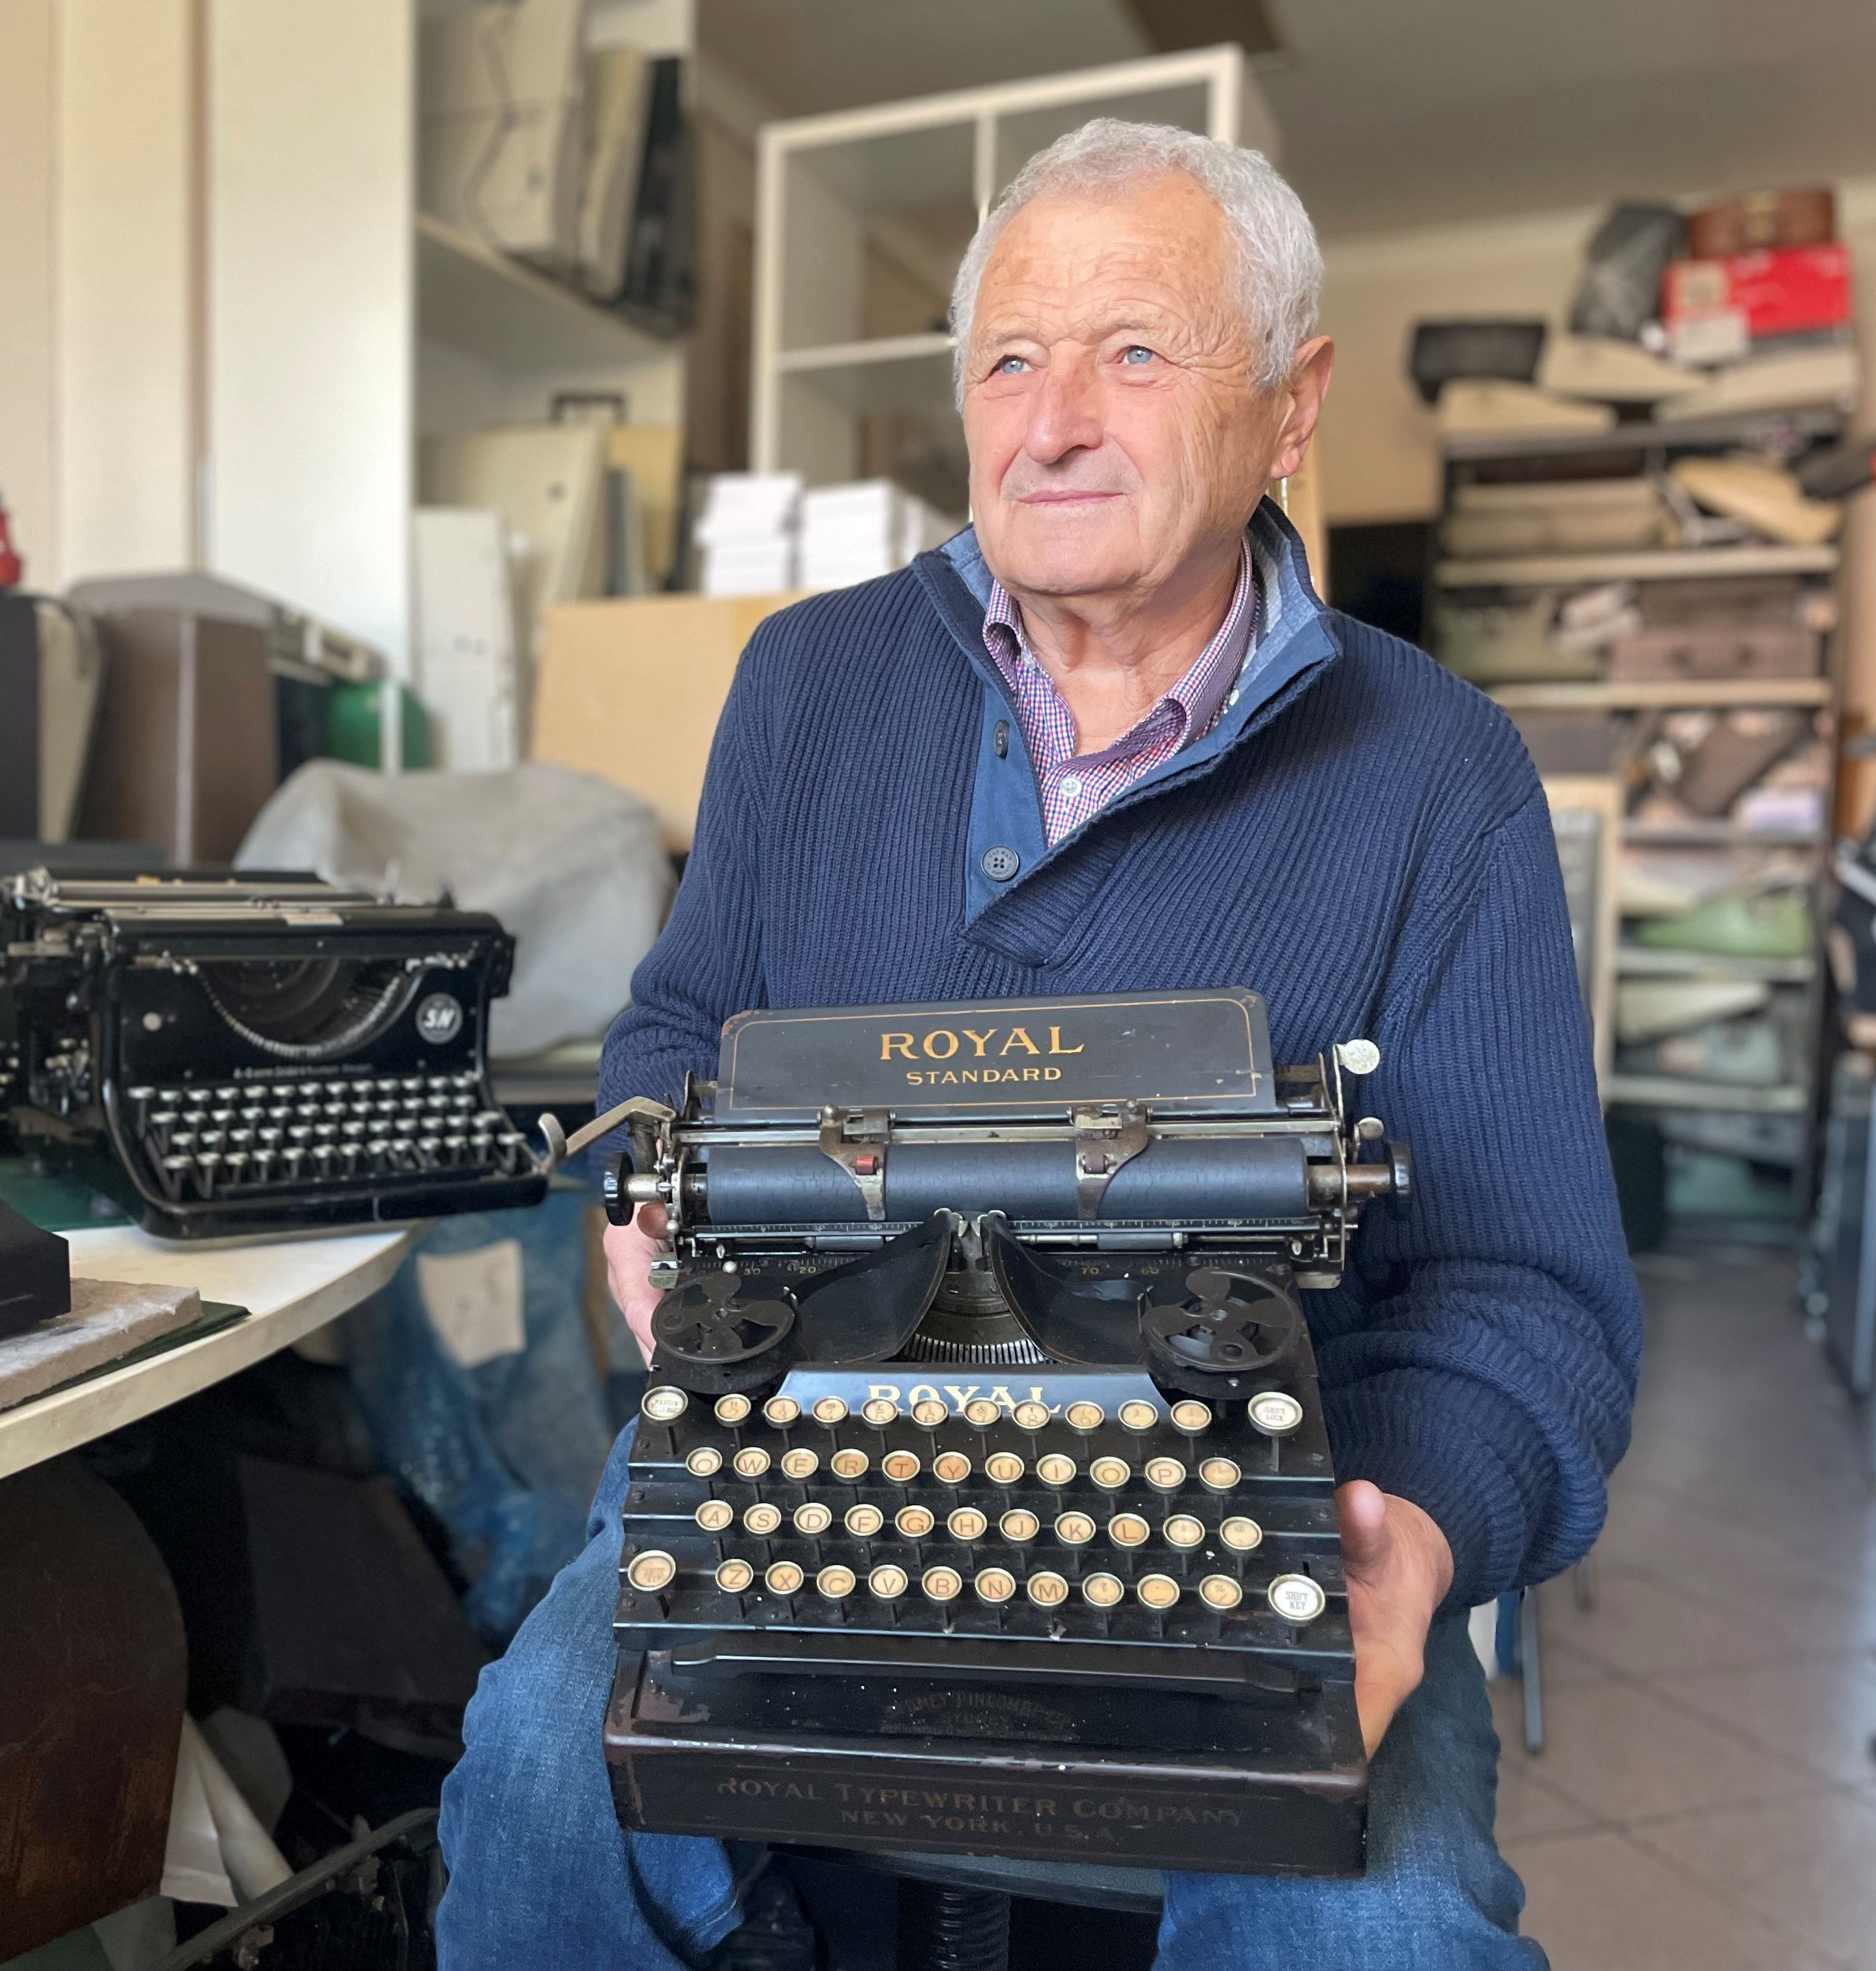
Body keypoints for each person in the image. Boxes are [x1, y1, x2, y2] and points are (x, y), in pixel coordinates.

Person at [437, 119, 1639, 1970]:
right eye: (1010, 357)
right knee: (534, 1767)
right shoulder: (806, 685)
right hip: (795, 1429)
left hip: (1260, 1487)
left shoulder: (1443, 775)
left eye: (1135, 352)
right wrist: (642, 1172)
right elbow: (680, 1025)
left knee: (1372, 1932)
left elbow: (1530, 1295)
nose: (1054, 419)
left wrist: (1410, 1537)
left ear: (1290, 403)